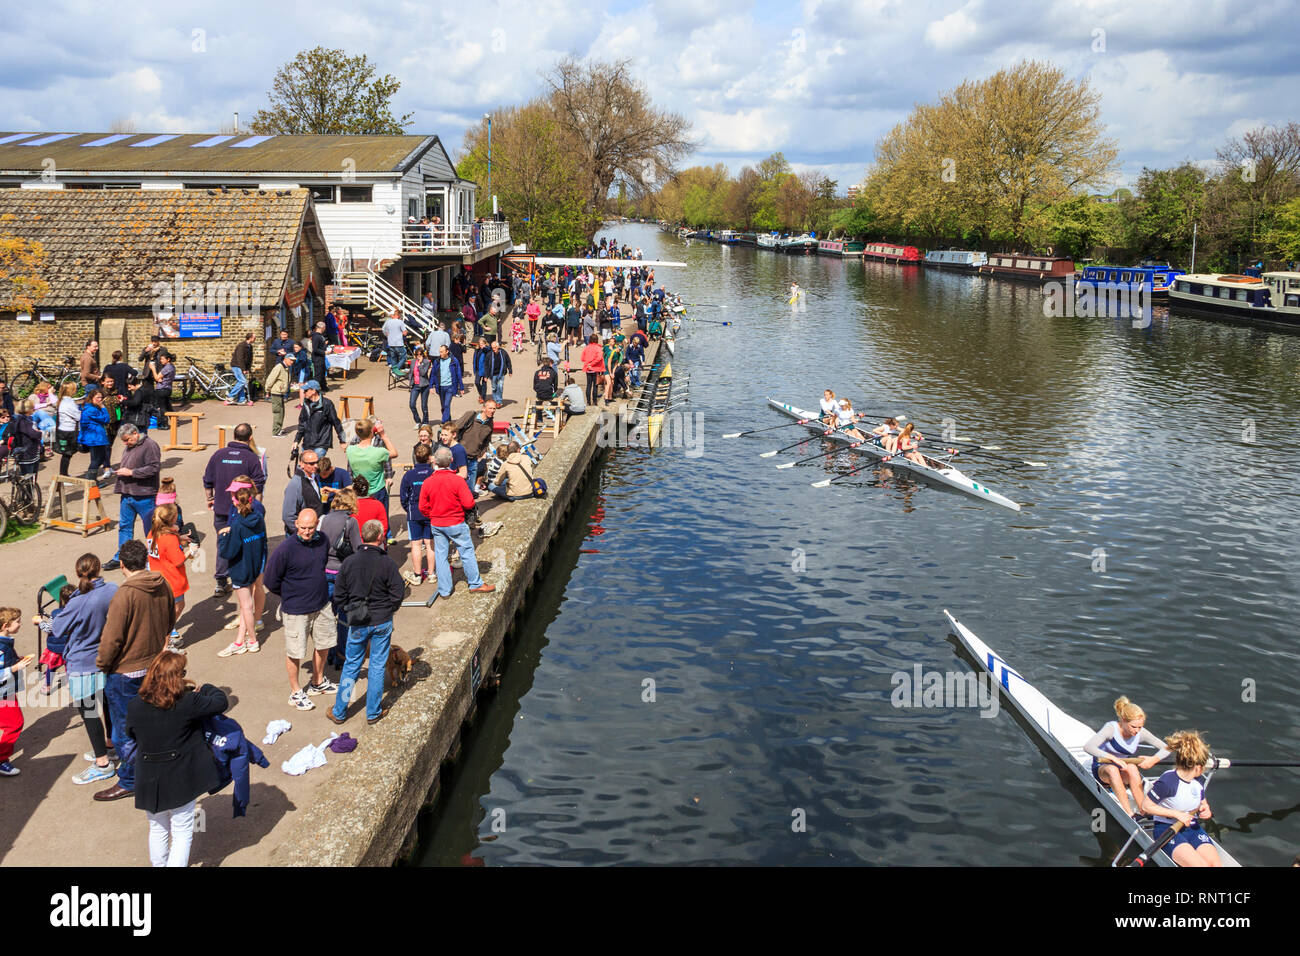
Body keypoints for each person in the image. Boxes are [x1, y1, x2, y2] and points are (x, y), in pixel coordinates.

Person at [124, 651, 227, 866]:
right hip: (181, 777)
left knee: (157, 827)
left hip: (148, 778)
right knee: (181, 833)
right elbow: (221, 702)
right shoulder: (189, 701)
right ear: (177, 676)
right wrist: (206, 687)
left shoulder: (135, 705)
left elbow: (131, 734)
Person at [92, 539, 176, 802]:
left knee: (124, 731)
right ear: (145, 559)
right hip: (154, 666)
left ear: (122, 565)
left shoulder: (124, 595)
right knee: (151, 723)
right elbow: (170, 620)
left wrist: (103, 666)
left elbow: (112, 639)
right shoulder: (162, 583)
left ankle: (130, 780)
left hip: (125, 672)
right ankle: (157, 768)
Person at [327, 519, 405, 726]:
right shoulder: (387, 563)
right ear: (380, 537)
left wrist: (348, 610)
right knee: (378, 666)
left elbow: (339, 594)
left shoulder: (349, 562)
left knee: (351, 665)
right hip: (382, 621)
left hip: (358, 621)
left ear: (362, 536)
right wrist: (390, 609)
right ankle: (373, 712)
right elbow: (398, 592)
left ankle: (339, 711)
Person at [53, 554, 120, 785]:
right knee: (108, 705)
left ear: (78, 572)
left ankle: (102, 764)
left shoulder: (76, 601)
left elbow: (58, 629)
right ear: (99, 568)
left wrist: (43, 621)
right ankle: (111, 746)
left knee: (89, 713)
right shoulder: (111, 589)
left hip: (82, 664)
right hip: (106, 658)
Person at [263, 508, 338, 711]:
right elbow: (270, 581)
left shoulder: (323, 540)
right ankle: (296, 692)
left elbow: (321, 564)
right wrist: (292, 595)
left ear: (317, 525)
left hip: (322, 604)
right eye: (303, 528)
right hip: (296, 609)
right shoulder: (285, 549)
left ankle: (317, 681)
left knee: (324, 644)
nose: (307, 532)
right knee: (295, 652)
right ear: (296, 525)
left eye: (311, 528)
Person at [419, 447, 497, 599]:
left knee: (441, 555)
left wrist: (433, 515)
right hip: (455, 521)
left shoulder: (428, 482)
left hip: (437, 523)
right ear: (451, 461)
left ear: (435, 461)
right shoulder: (457, 480)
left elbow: (422, 507)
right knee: (466, 551)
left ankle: (445, 589)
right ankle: (475, 583)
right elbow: (468, 503)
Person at [201, 423, 267, 595]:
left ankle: (221, 581)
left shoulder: (218, 454)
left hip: (221, 508)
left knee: (224, 540)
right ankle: (245, 579)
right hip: (243, 510)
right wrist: (256, 507)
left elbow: (207, 479)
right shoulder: (251, 458)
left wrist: (210, 498)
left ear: (233, 436)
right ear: (250, 437)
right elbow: (259, 484)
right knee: (244, 542)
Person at [1144, 730, 1222, 867]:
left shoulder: (1197, 781)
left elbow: (1202, 800)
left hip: (1192, 827)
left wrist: (1205, 808)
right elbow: (1146, 806)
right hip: (1167, 829)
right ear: (1198, 767)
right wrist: (1176, 814)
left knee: (1215, 865)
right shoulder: (1168, 781)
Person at [1082, 696, 1169, 818]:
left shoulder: (1140, 732)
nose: (1137, 731)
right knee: (1112, 770)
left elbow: (1167, 748)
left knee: (1133, 768)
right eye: (1134, 727)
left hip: (1122, 769)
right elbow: (1088, 747)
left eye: (1140, 727)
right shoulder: (1111, 729)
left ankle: (1143, 809)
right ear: (1123, 720)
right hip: (1102, 768)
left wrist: (1153, 759)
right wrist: (1113, 758)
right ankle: (1129, 812)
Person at [216, 480, 268, 658]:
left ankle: (252, 640)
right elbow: (264, 543)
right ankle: (239, 640)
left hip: (240, 569)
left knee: (245, 607)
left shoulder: (237, 525)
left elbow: (228, 552)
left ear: (238, 502)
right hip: (255, 566)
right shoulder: (259, 519)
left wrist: (223, 537)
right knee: (246, 607)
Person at [101, 423, 161, 571]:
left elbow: (154, 467)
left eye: (127, 440)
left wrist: (131, 473)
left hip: (144, 495)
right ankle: (122, 557)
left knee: (151, 529)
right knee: (125, 527)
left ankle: (154, 558)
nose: (125, 443)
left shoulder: (150, 445)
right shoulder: (130, 445)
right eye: (124, 441)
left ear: (135, 433)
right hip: (127, 494)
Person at [146, 504, 195, 653]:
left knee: (165, 611)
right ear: (172, 519)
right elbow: (178, 560)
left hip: (157, 578)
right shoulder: (170, 539)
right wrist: (190, 551)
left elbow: (163, 548)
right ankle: (166, 645)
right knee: (175, 609)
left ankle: (163, 638)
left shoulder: (152, 533)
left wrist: (179, 538)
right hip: (172, 580)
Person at [0, 607, 33, 777]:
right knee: (14, 723)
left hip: (6, 692)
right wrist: (15, 667)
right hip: (3, 694)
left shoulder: (5, 642)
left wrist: (17, 659)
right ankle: (1, 759)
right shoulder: (1, 647)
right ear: (6, 625)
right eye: (17, 621)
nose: (20, 624)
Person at [399, 443, 435, 586]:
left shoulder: (408, 475)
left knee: (416, 544)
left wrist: (409, 509)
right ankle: (432, 574)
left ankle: (417, 574)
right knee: (430, 543)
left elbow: (403, 497)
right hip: (431, 513)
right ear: (429, 458)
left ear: (415, 458)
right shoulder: (433, 474)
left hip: (414, 512)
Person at [451, 400, 497, 499]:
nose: (492, 411)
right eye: (490, 408)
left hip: (473, 459)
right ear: (483, 408)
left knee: (470, 490)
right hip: (460, 457)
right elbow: (454, 429)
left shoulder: (490, 424)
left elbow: (487, 441)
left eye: (494, 409)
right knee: (456, 487)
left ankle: (469, 511)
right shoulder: (471, 415)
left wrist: (481, 454)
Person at [295, 381, 345, 458]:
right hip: (307, 443)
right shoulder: (306, 404)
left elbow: (336, 422)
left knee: (314, 466)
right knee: (305, 467)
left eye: (306, 391)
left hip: (321, 443)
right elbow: (302, 424)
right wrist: (296, 441)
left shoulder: (327, 404)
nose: (304, 393)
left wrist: (342, 441)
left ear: (314, 391)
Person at [78, 387, 112, 481]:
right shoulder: (92, 410)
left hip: (95, 437)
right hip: (95, 438)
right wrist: (103, 408)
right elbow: (106, 419)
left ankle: (92, 480)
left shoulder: (91, 408)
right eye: (97, 397)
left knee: (97, 459)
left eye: (101, 397)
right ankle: (91, 480)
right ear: (91, 397)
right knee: (97, 460)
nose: (100, 400)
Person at [265, 351, 294, 436]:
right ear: (285, 359)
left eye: (293, 360)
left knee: (282, 412)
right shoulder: (279, 367)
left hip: (281, 392)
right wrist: (267, 390)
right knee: (278, 412)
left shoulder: (286, 367)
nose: (292, 362)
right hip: (276, 392)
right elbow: (270, 379)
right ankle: (276, 432)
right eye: (291, 360)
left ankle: (279, 429)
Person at [227, 333, 255, 406]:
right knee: (242, 381)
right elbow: (240, 358)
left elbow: (250, 359)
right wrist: (243, 369)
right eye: (254, 337)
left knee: (242, 383)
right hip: (237, 366)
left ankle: (241, 399)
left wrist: (247, 368)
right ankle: (230, 396)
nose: (255, 339)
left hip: (243, 367)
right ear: (250, 338)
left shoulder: (250, 346)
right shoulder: (241, 346)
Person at [408, 345, 432, 426]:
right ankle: (418, 421)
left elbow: (423, 373)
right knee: (411, 404)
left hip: (424, 386)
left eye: (420, 354)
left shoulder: (427, 362)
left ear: (423, 355)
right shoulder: (413, 361)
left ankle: (425, 421)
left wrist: (420, 364)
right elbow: (411, 372)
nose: (419, 356)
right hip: (415, 386)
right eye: (417, 354)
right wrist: (410, 381)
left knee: (424, 406)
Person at [581, 334, 604, 407]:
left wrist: (588, 362)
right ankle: (594, 401)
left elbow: (582, 358)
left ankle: (588, 401)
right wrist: (592, 363)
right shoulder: (598, 348)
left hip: (588, 368)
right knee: (595, 385)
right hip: (595, 368)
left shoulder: (587, 347)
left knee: (589, 385)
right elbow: (599, 358)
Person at [310, 321, 331, 391]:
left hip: (321, 357)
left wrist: (325, 344)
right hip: (317, 358)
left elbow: (320, 345)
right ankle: (315, 390)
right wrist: (324, 352)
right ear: (322, 327)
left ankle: (324, 387)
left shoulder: (319, 336)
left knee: (322, 373)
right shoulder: (316, 336)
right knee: (318, 375)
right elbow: (315, 349)